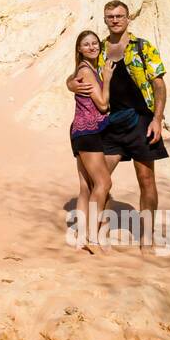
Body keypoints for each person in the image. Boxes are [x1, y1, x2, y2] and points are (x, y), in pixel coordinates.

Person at [69, 0, 168, 251]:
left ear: (127, 18)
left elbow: (159, 84)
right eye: (110, 16)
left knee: (146, 179)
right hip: (110, 124)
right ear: (105, 19)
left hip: (142, 120)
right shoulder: (99, 49)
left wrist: (157, 118)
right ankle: (95, 234)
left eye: (119, 15)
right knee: (99, 180)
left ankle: (147, 236)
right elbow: (79, 71)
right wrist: (69, 83)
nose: (115, 20)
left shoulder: (143, 47)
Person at [67, 30, 114, 253]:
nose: (92, 47)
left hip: (80, 131)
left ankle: (80, 237)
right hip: (88, 132)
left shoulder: (86, 69)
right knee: (104, 184)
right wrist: (108, 79)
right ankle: (92, 237)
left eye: (95, 43)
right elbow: (103, 105)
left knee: (86, 187)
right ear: (79, 49)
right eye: (86, 44)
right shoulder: (87, 71)